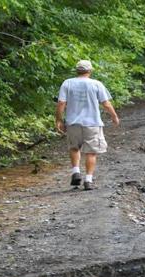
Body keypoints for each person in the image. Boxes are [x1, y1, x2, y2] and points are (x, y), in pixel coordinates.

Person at [56, 60, 120, 192]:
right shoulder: (96, 84)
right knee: (91, 152)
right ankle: (88, 180)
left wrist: (59, 120)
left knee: (74, 148)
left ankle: (76, 172)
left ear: (77, 70)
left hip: (73, 123)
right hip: (92, 123)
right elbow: (106, 103)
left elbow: (61, 103)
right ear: (90, 71)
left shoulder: (67, 83)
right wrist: (114, 116)